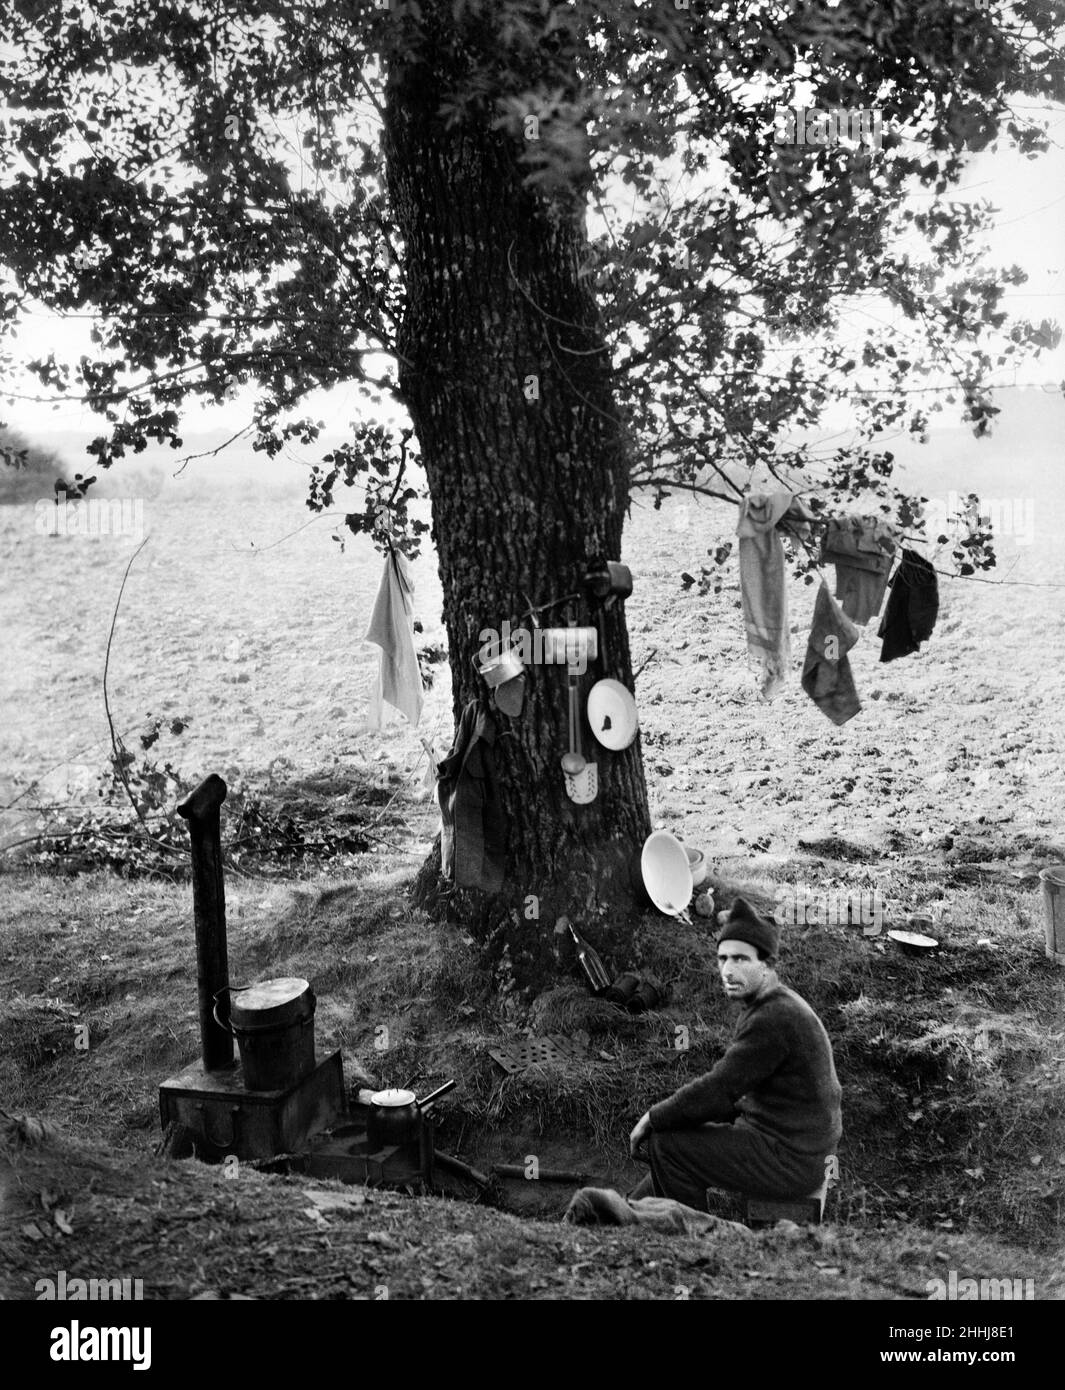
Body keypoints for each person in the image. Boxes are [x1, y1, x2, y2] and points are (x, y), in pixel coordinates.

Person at [628, 898, 842, 1211]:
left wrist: (653, 1117)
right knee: (674, 1143)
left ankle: (693, 1241)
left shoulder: (775, 1018)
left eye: (741, 959)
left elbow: (720, 1088)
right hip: (791, 1146)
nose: (728, 970)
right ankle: (621, 1213)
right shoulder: (772, 1003)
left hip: (792, 1161)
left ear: (767, 965)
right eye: (723, 959)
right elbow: (734, 1092)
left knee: (667, 1144)